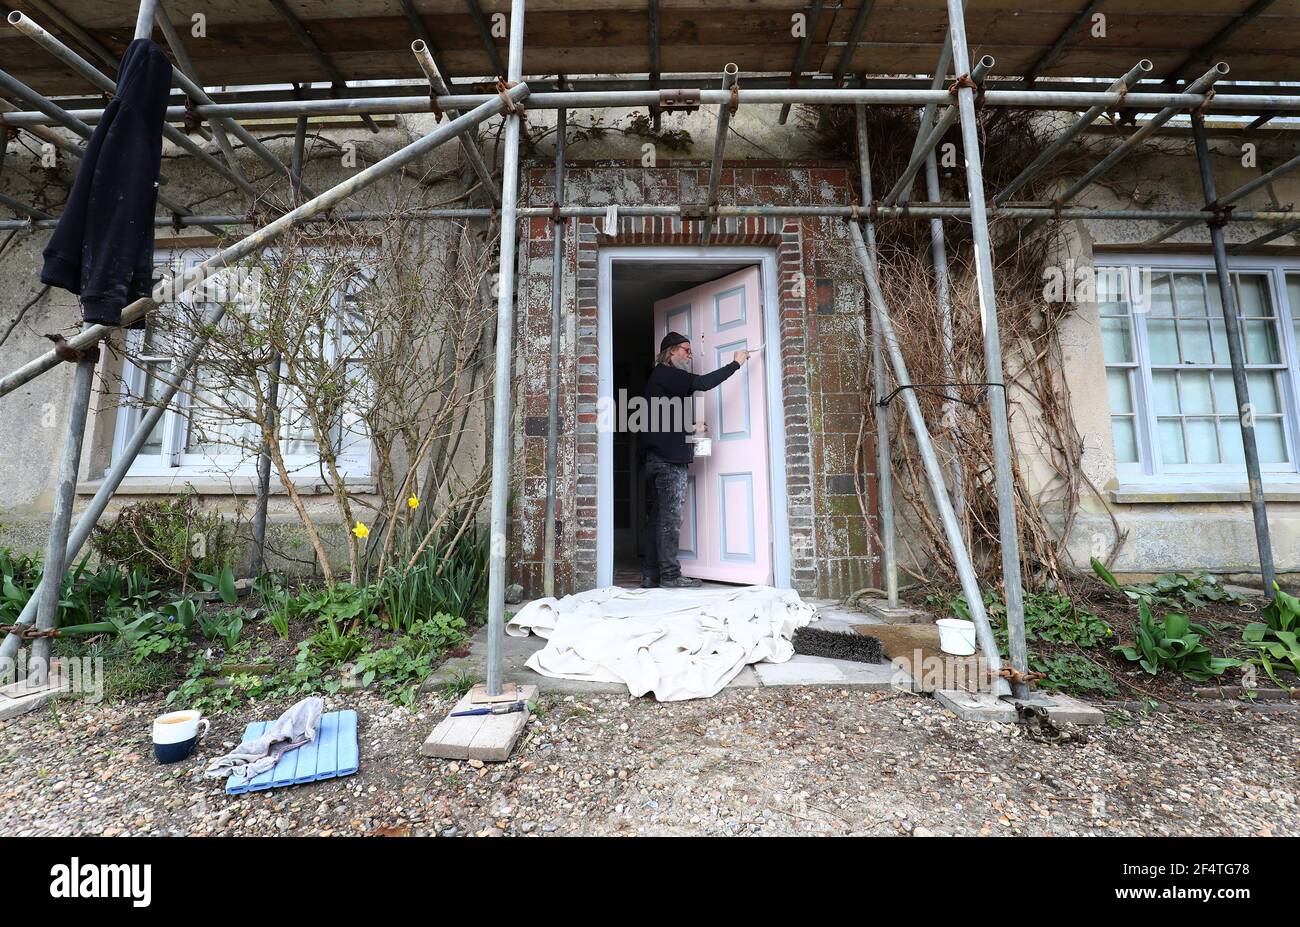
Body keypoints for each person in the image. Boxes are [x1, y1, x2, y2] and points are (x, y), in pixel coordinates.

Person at [638, 331, 750, 588]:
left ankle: (650, 574)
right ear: (671, 353)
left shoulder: (659, 379)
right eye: (686, 350)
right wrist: (736, 363)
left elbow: (664, 418)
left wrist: (691, 426)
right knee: (670, 519)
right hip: (667, 462)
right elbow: (703, 383)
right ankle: (670, 576)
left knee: (657, 519)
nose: (691, 355)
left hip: (654, 458)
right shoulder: (668, 373)